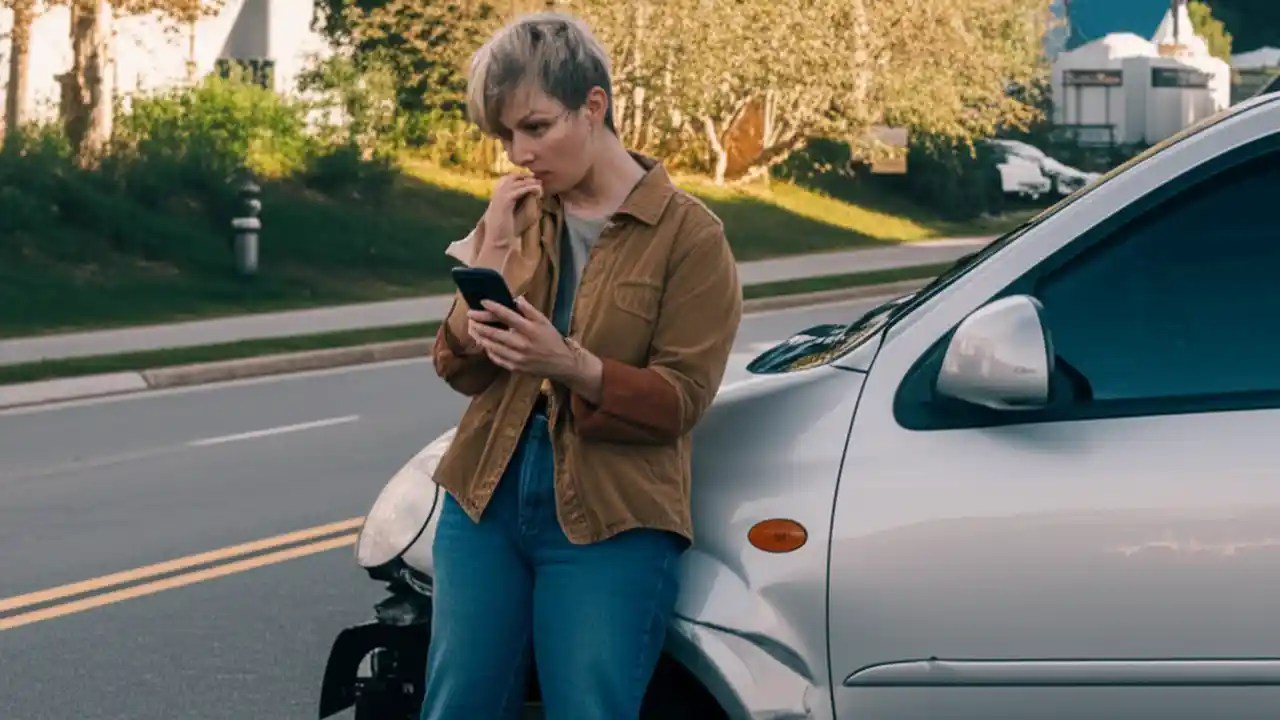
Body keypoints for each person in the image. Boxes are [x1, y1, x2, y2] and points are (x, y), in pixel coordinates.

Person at [423, 10, 743, 720]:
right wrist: (492, 252)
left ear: (593, 106)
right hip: (486, 493)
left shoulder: (691, 236)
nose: (519, 153)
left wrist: (569, 365)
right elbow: (457, 365)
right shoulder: (521, 211)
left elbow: (681, 401)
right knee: (457, 705)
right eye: (505, 136)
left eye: (535, 127)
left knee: (589, 708)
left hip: (612, 510)